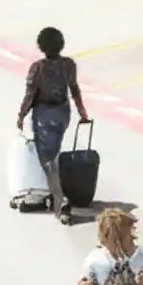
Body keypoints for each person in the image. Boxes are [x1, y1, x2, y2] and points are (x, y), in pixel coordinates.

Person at [15, 27, 89, 215]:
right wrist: (82, 110)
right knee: (53, 152)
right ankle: (52, 191)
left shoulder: (38, 68)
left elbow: (30, 94)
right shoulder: (69, 65)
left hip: (44, 116)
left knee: (46, 158)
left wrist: (21, 115)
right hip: (63, 114)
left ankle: (59, 199)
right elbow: (74, 88)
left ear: (41, 46)